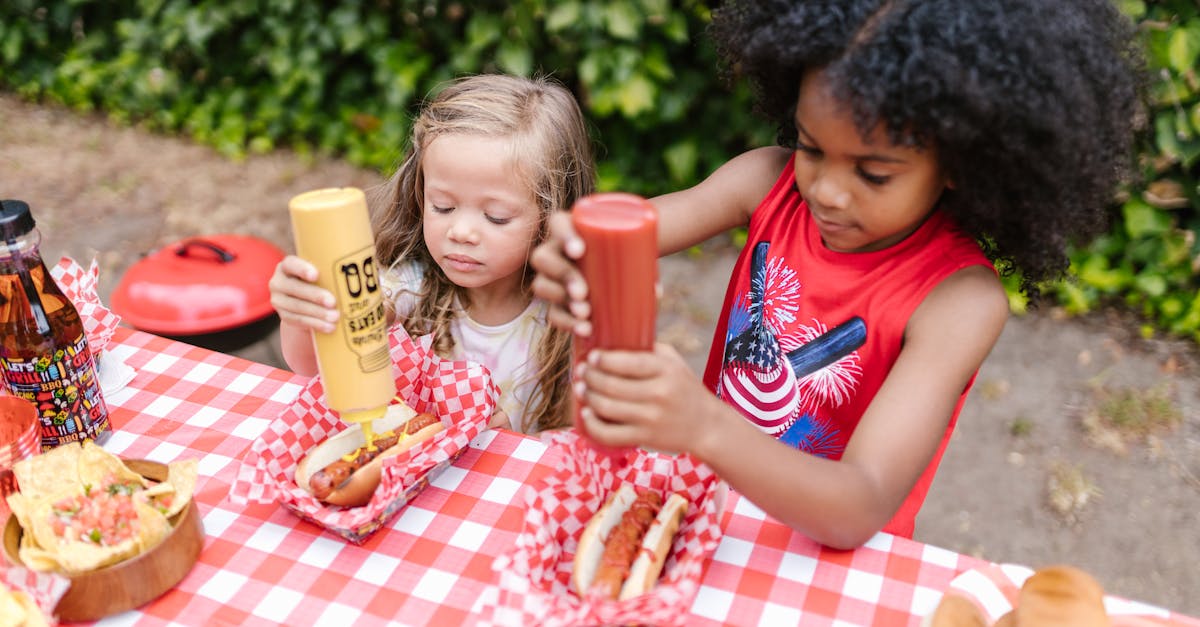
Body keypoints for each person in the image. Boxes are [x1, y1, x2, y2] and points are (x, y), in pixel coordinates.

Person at [531, 0, 1142, 548]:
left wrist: (700, 424)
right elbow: (630, 231)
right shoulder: (765, 182)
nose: (826, 191)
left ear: (960, 161)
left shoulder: (958, 300)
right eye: (810, 146)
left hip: (824, 557)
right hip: (704, 517)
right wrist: (580, 253)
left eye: (873, 174)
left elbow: (859, 504)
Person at [270, 74, 596, 434]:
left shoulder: (568, 316)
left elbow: (581, 438)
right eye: (442, 207)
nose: (461, 232)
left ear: (552, 217)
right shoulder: (409, 286)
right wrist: (304, 313)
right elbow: (310, 365)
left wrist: (510, 442)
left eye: (495, 217)